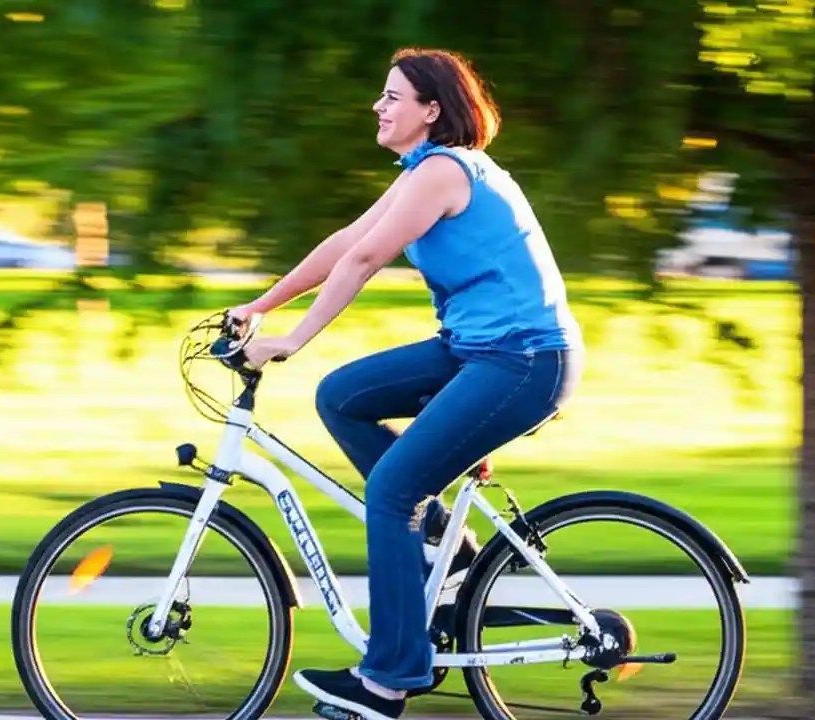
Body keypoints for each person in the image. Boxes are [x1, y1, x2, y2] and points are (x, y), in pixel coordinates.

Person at [229, 47, 584, 720]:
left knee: (392, 490)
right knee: (342, 397)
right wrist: (260, 307)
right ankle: (446, 555)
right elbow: (346, 240)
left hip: (524, 361)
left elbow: (366, 259)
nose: (378, 105)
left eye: (392, 96)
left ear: (431, 110)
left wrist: (292, 340)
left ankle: (388, 679)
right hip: (476, 349)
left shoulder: (446, 170)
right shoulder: (423, 172)